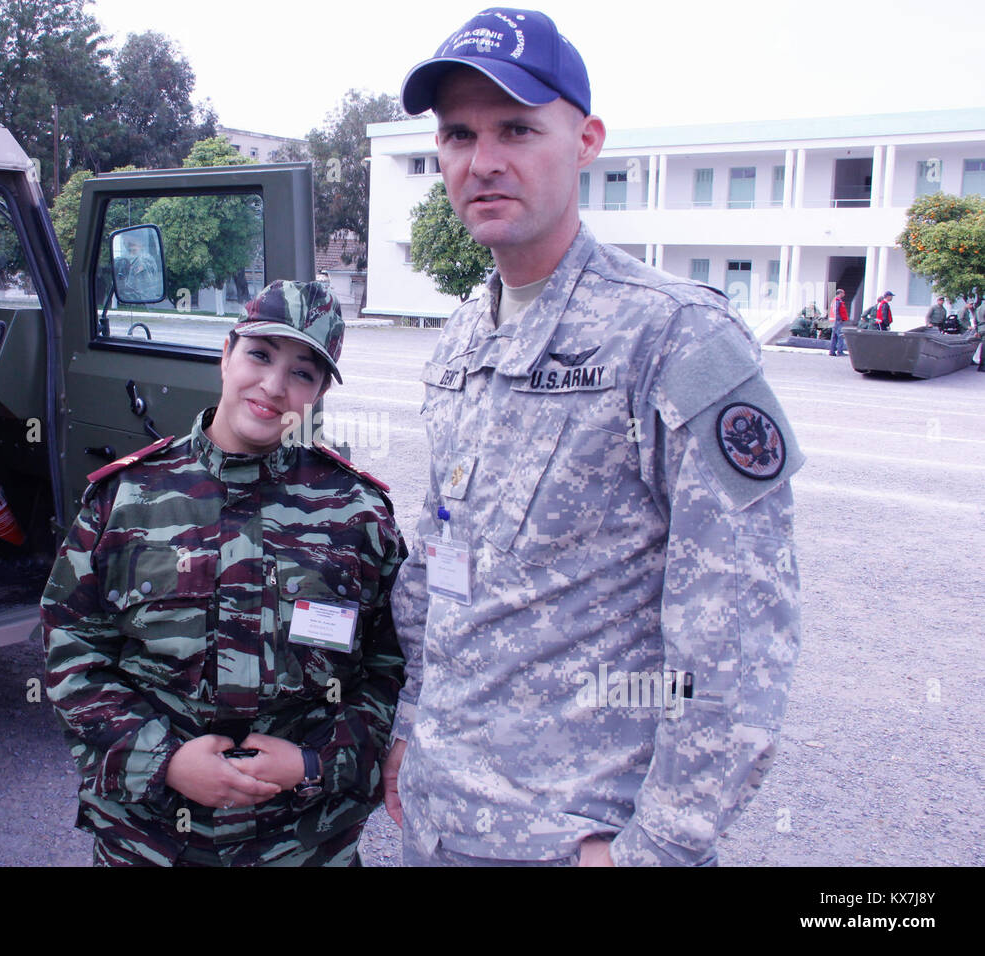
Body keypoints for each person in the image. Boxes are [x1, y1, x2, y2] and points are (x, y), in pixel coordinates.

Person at [383, 7, 802, 867]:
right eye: (458, 134)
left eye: (517, 128)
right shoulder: (463, 337)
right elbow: (440, 562)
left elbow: (737, 628)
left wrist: (657, 849)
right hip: (439, 819)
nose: (483, 160)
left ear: (585, 141)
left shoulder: (678, 339)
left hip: (572, 838)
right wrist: (408, 727)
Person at [42, 279, 406, 866]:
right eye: (260, 355)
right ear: (225, 355)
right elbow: (72, 648)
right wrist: (163, 760)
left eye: (304, 373)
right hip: (151, 841)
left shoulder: (357, 513)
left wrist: (315, 762)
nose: (274, 386)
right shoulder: (126, 498)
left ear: (318, 395)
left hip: (306, 842)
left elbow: (393, 665)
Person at [828, 288, 849, 355]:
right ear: (840, 293)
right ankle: (840, 351)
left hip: (834, 321)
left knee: (834, 337)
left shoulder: (834, 300)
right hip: (837, 321)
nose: (844, 294)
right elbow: (836, 310)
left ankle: (832, 351)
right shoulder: (837, 301)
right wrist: (839, 319)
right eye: (843, 293)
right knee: (840, 336)